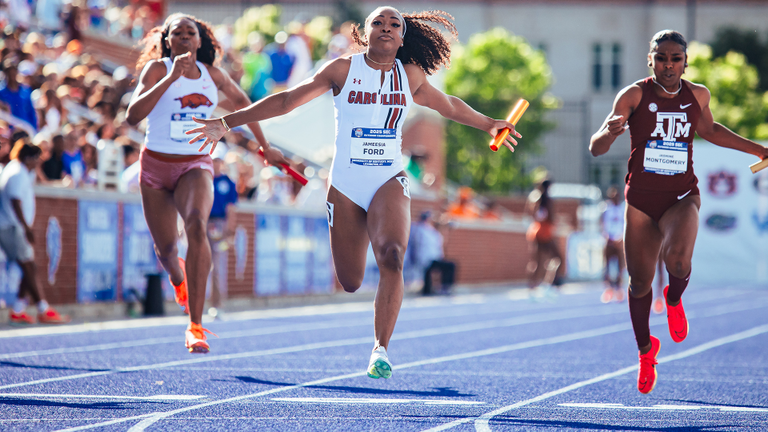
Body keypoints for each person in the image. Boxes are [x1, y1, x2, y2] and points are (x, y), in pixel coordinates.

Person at [186, 6, 521, 378]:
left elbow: (448, 105)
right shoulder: (342, 70)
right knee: (351, 281)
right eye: (378, 22)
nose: (386, 28)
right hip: (346, 183)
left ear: (402, 37)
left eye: (394, 24)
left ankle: (380, 349)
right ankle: (371, 319)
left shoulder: (410, 75)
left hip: (388, 177)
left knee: (393, 256)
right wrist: (225, 123)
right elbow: (286, 101)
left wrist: (488, 123)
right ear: (366, 31)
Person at [589, 30, 768, 394]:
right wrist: (609, 134)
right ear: (650, 61)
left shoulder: (697, 95)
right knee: (639, 283)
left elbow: (710, 130)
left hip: (681, 196)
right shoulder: (633, 95)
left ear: (686, 63)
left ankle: (673, 299)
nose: (668, 65)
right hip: (641, 201)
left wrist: (758, 149)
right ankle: (646, 351)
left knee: (679, 262)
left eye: (675, 59)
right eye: (661, 58)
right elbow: (596, 148)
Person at [125, 13, 286, 354]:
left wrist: (265, 146)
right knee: (166, 251)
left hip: (195, 164)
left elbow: (244, 105)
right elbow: (133, 116)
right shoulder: (156, 70)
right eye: (178, 33)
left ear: (200, 41)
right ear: (167, 40)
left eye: (191, 32)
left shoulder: (213, 75)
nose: (184, 37)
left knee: (197, 225)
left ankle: (195, 326)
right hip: (155, 167)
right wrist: (171, 77)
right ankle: (178, 277)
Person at [0, 141, 69, 325]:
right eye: (37, 158)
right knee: (29, 266)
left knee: (30, 267)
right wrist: (26, 227)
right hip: (12, 226)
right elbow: (15, 201)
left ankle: (18, 310)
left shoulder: (19, 170)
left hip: (13, 226)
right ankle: (42, 308)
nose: (39, 162)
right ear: (28, 158)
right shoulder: (17, 172)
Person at [207, 144, 237, 318]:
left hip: (218, 224)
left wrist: (230, 230)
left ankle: (216, 304)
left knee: (216, 266)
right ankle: (190, 305)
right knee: (196, 262)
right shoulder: (203, 179)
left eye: (218, 160)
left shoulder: (228, 183)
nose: (215, 164)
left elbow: (231, 208)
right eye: (213, 160)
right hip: (201, 222)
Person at [526, 179, 565, 295]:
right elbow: (550, 218)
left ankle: (532, 286)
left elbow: (532, 215)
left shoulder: (535, 199)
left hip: (536, 231)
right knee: (558, 258)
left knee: (536, 262)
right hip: (545, 233)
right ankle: (549, 282)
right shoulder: (546, 200)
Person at [409, 211, 456, 296]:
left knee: (450, 265)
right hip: (425, 259)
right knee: (449, 265)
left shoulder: (432, 231)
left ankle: (444, 287)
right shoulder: (420, 229)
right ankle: (433, 289)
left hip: (433, 258)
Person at [600, 186, 625, 303]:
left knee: (620, 266)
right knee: (607, 266)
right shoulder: (606, 209)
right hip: (609, 240)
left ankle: (619, 289)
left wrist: (621, 238)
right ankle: (609, 288)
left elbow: (626, 225)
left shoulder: (623, 209)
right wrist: (606, 236)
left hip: (619, 241)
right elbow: (602, 224)